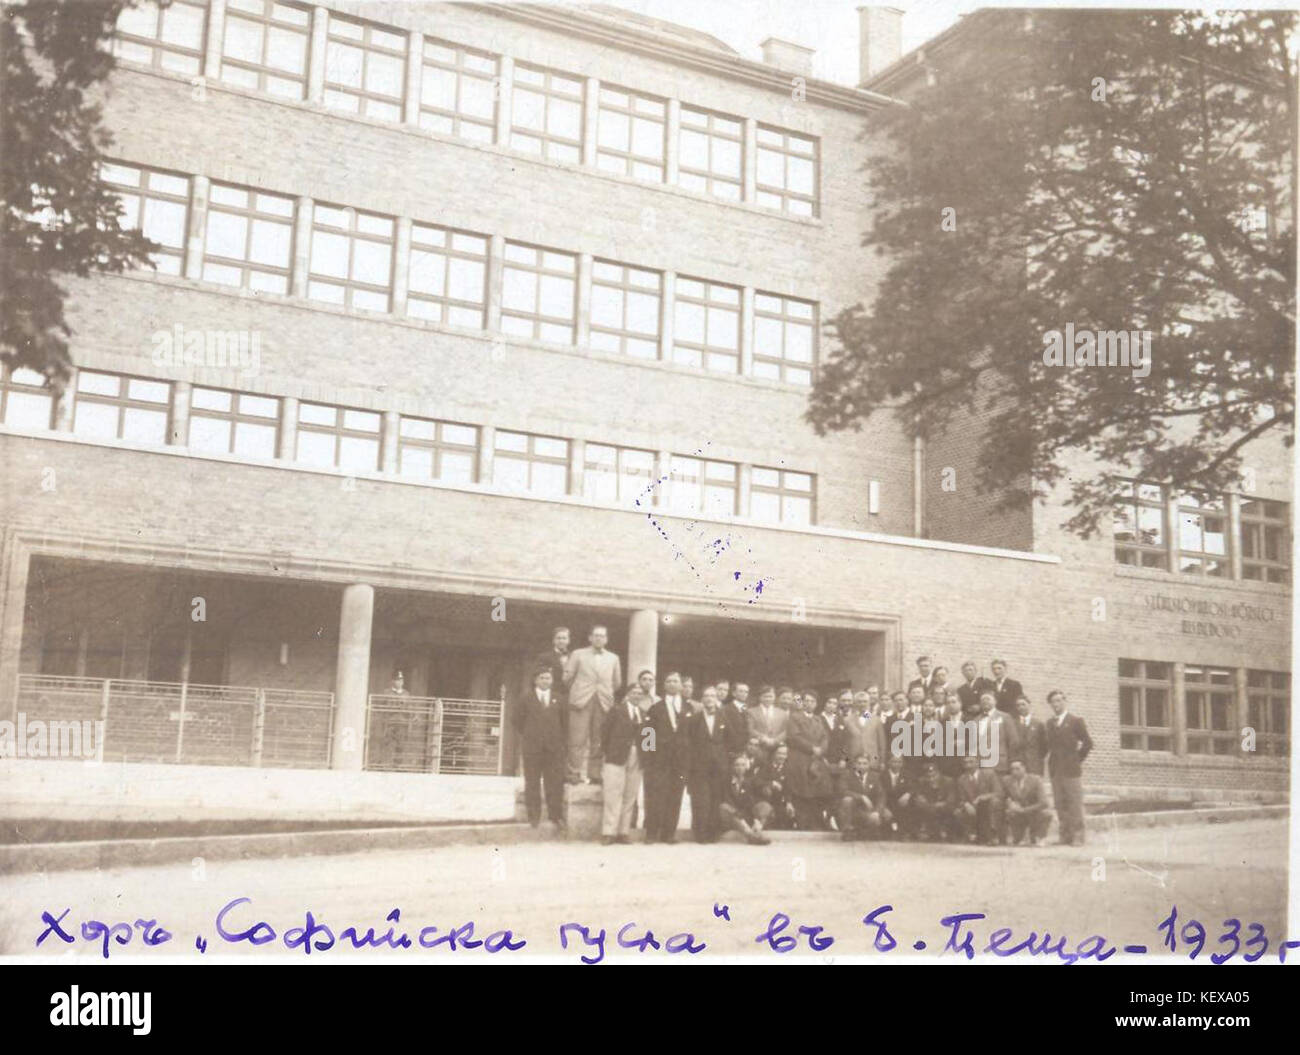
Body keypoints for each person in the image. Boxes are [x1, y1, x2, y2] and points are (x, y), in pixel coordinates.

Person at [563, 625, 622, 784]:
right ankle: (574, 773)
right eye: (596, 635)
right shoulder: (578, 654)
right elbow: (567, 678)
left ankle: (595, 774)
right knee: (577, 739)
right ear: (590, 638)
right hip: (581, 701)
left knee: (599, 740)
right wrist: (579, 690)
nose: (599, 638)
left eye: (602, 636)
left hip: (603, 701)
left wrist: (604, 692)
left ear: (606, 639)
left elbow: (616, 682)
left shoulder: (613, 658)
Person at [514, 667, 566, 832]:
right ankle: (534, 816)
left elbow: (564, 722)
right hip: (532, 747)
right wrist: (531, 734)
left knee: (554, 782)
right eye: (542, 678)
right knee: (532, 781)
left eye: (548, 678)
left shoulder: (559, 698)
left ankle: (555, 815)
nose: (545, 681)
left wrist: (557, 740)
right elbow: (516, 720)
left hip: (553, 748)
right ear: (536, 680)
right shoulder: (526, 698)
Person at [600, 686, 651, 845]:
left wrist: (647, 756)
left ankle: (623, 831)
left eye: (640, 694)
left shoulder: (644, 714)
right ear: (628, 695)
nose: (637, 696)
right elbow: (604, 733)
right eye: (634, 693)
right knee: (613, 794)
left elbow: (649, 737)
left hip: (637, 756)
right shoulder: (616, 711)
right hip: (616, 756)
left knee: (630, 795)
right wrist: (608, 752)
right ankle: (609, 832)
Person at [644, 671, 689, 843]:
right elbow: (648, 734)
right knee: (656, 796)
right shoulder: (656, 708)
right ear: (664, 685)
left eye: (675, 681)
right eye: (668, 681)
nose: (672, 684)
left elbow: (692, 737)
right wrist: (649, 760)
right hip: (659, 761)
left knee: (675, 796)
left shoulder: (689, 708)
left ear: (680, 685)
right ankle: (651, 833)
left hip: (680, 761)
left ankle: (669, 833)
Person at [1045, 690, 1092, 846]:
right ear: (1050, 705)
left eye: (1059, 700)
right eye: (1053, 702)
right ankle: (1065, 835)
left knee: (1074, 802)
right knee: (1060, 803)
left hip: (1071, 769)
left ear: (1065, 702)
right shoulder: (1050, 723)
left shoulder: (1075, 721)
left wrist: (1077, 759)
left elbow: (1088, 743)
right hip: (1055, 769)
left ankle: (1078, 835)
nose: (1056, 704)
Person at [687, 686, 729, 843]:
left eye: (712, 696)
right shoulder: (694, 719)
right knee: (701, 799)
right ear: (702, 700)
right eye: (706, 696)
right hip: (699, 766)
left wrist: (725, 760)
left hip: (719, 766)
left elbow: (730, 740)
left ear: (717, 699)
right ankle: (700, 834)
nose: (709, 698)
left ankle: (713, 833)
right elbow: (689, 742)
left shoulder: (724, 717)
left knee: (715, 799)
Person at [786, 690, 833, 829]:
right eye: (806, 701)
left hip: (816, 759)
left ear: (816, 704)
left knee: (817, 791)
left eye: (812, 701)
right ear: (802, 702)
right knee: (802, 791)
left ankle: (816, 823)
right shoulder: (794, 717)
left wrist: (821, 749)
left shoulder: (818, 719)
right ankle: (801, 824)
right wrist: (812, 748)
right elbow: (794, 736)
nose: (809, 704)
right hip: (801, 757)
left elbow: (825, 737)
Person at [718, 755, 772, 845]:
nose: (740, 768)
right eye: (737, 765)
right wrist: (739, 816)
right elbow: (727, 800)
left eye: (743, 765)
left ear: (746, 767)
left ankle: (757, 830)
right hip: (734, 817)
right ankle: (750, 835)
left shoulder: (750, 780)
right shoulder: (726, 781)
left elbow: (760, 788)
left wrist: (767, 787)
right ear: (732, 767)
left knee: (765, 806)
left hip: (747, 815)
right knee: (723, 807)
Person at [952, 755, 1005, 845]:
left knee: (994, 802)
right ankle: (971, 834)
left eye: (971, 762)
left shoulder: (989, 774)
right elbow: (961, 798)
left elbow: (999, 792)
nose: (968, 765)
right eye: (965, 763)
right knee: (958, 812)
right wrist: (966, 804)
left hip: (987, 806)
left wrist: (982, 797)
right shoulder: (962, 779)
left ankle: (993, 834)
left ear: (977, 763)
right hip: (972, 807)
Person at [834, 754, 887, 841]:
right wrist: (861, 797)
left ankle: (867, 832)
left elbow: (881, 795)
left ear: (869, 764)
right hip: (852, 810)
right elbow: (842, 791)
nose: (862, 766)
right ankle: (847, 831)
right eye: (859, 763)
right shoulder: (847, 775)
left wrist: (877, 811)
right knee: (847, 800)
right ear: (854, 764)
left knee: (886, 815)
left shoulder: (874, 776)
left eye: (865, 763)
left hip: (869, 809)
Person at [1003, 759, 1050, 846]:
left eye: (1017, 769)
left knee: (1046, 813)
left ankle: (1040, 836)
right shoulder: (1007, 780)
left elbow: (1044, 802)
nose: (1014, 772)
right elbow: (1002, 797)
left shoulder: (1036, 780)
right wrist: (1009, 803)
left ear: (1024, 768)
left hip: (1033, 812)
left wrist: (1024, 810)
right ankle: (1020, 836)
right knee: (1010, 813)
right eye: (1012, 769)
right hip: (1017, 814)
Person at [976, 690, 1018, 778]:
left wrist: (1011, 762)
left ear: (995, 701)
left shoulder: (1005, 717)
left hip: (1000, 764)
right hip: (982, 765)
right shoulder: (976, 720)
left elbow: (1013, 741)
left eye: (988, 699)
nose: (985, 701)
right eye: (982, 700)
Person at [910, 762, 955, 842]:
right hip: (928, 808)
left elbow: (951, 799)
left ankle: (944, 831)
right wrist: (920, 798)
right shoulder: (922, 781)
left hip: (944, 809)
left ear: (939, 774)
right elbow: (918, 795)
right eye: (928, 777)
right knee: (920, 808)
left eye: (934, 776)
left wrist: (941, 804)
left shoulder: (948, 781)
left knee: (947, 811)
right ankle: (927, 831)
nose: (931, 779)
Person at [755, 743, 796, 830]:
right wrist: (771, 783)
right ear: (773, 754)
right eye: (779, 753)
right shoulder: (765, 767)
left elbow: (789, 788)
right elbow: (756, 782)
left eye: (784, 754)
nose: (782, 756)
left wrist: (789, 803)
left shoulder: (788, 769)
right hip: (765, 801)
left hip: (780, 803)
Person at [746, 684, 787, 759]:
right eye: (765, 696)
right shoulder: (751, 711)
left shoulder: (782, 713)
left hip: (776, 747)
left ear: (774, 697)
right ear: (760, 698)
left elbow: (785, 730)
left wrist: (775, 740)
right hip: (759, 747)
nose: (768, 699)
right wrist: (764, 739)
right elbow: (750, 729)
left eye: (770, 696)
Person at [1014, 696, 1047, 775]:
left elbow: (1045, 745)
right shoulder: (1012, 723)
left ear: (1029, 705)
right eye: (1018, 705)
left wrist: (1036, 758)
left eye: (1023, 704)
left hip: (1034, 765)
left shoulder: (1039, 724)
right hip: (1018, 765)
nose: (1021, 707)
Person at [880, 755, 910, 838]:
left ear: (902, 763)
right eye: (894, 762)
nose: (896, 764)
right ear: (889, 763)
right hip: (886, 805)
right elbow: (879, 794)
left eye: (899, 762)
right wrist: (883, 807)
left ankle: (903, 831)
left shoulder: (907, 775)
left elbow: (913, 787)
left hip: (901, 805)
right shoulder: (882, 775)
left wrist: (908, 794)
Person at [721, 679, 750, 760]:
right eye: (741, 691)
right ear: (734, 693)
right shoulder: (726, 709)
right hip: (730, 751)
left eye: (746, 692)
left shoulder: (748, 710)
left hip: (745, 752)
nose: (744, 694)